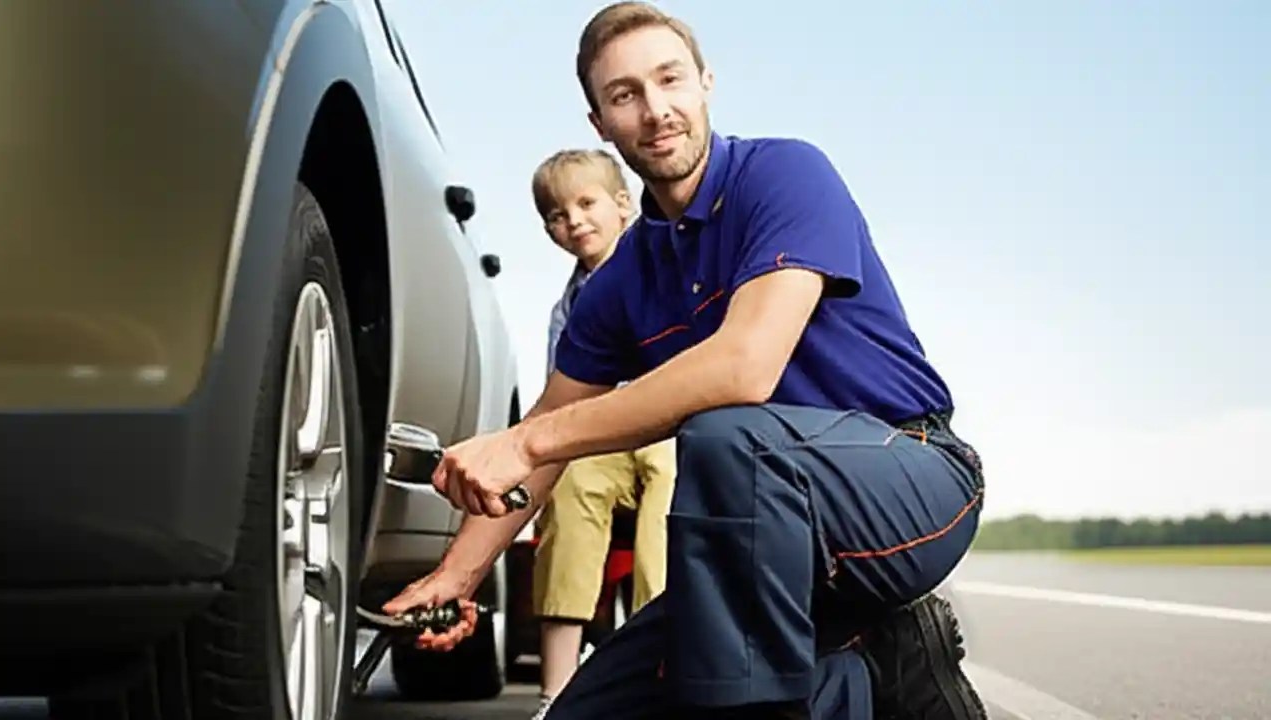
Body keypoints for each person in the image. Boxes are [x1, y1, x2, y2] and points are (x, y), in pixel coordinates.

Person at [383, 2, 989, 718]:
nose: (656, 109)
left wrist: (520, 440)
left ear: (704, 82)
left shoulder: (786, 174)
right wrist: (458, 574)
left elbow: (743, 370)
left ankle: (831, 666)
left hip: (908, 478)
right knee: (590, 710)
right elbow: (554, 425)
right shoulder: (617, 285)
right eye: (624, 95)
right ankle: (873, 660)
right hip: (759, 536)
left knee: (727, 435)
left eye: (669, 80)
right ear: (600, 124)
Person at [530, 147, 677, 714]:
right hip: (602, 438)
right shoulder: (566, 310)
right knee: (570, 487)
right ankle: (557, 689)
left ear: (623, 206)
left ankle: (658, 671)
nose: (574, 221)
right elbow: (559, 406)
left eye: (586, 204)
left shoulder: (663, 273)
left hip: (667, 429)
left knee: (670, 496)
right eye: (556, 215)